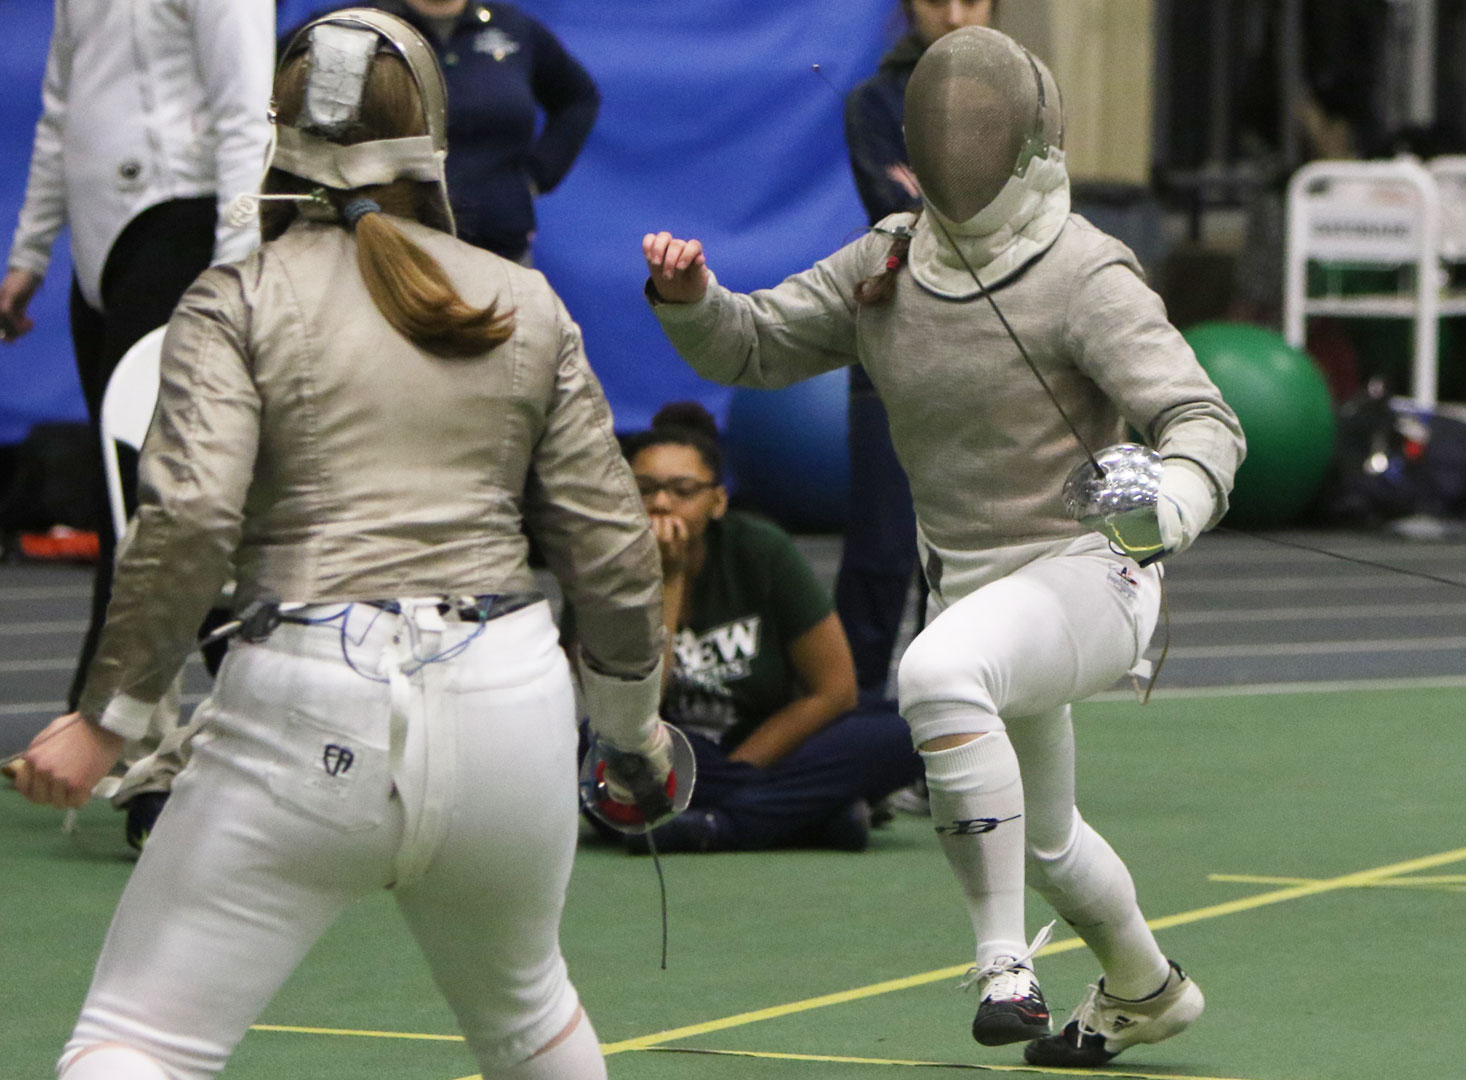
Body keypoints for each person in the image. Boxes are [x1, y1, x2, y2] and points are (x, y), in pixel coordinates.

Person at [6, 12, 673, 1079]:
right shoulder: (521, 301)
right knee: (531, 1018)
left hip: (306, 714)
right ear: (433, 134)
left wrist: (106, 720)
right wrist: (633, 733)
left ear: (280, 132)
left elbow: (188, 521)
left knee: (134, 1045)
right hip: (511, 709)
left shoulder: (235, 301)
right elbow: (613, 552)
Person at [641, 27, 1244, 1068]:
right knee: (1045, 838)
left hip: (1095, 574)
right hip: (977, 587)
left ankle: (1001, 966)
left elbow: (1205, 423)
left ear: (1027, 141)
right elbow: (750, 343)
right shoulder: (889, 260)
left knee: (933, 672)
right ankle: (1146, 989)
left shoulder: (1087, 272)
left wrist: (1169, 506)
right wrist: (688, 297)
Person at [0, 0, 274, 829]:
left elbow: (245, 107)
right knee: (131, 504)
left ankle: (166, 738)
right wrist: (29, 254)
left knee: (180, 501)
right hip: (102, 254)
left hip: (183, 229)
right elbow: (63, 111)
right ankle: (115, 727)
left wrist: (234, 269)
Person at [592, 403, 923, 854]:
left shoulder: (760, 550)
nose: (661, 503)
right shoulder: (602, 565)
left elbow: (835, 690)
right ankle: (811, 817)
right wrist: (666, 580)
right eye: (644, 489)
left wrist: (743, 767)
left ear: (718, 500)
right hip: (664, 749)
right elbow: (634, 706)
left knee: (905, 725)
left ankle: (714, 824)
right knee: (592, 751)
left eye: (682, 490)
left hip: (765, 742)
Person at [835, 0, 994, 707]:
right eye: (937, 1)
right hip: (895, 347)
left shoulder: (1025, 97)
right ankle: (854, 725)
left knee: (972, 563)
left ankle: (954, 726)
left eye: (974, 0)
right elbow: (910, 211)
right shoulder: (875, 103)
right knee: (881, 551)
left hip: (994, 355)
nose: (957, 15)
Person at [291, 0, 601, 263]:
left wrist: (534, 177)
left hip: (499, 250)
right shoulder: (349, 28)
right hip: (379, 254)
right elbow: (273, 99)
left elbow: (579, 99)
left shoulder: (511, 29)